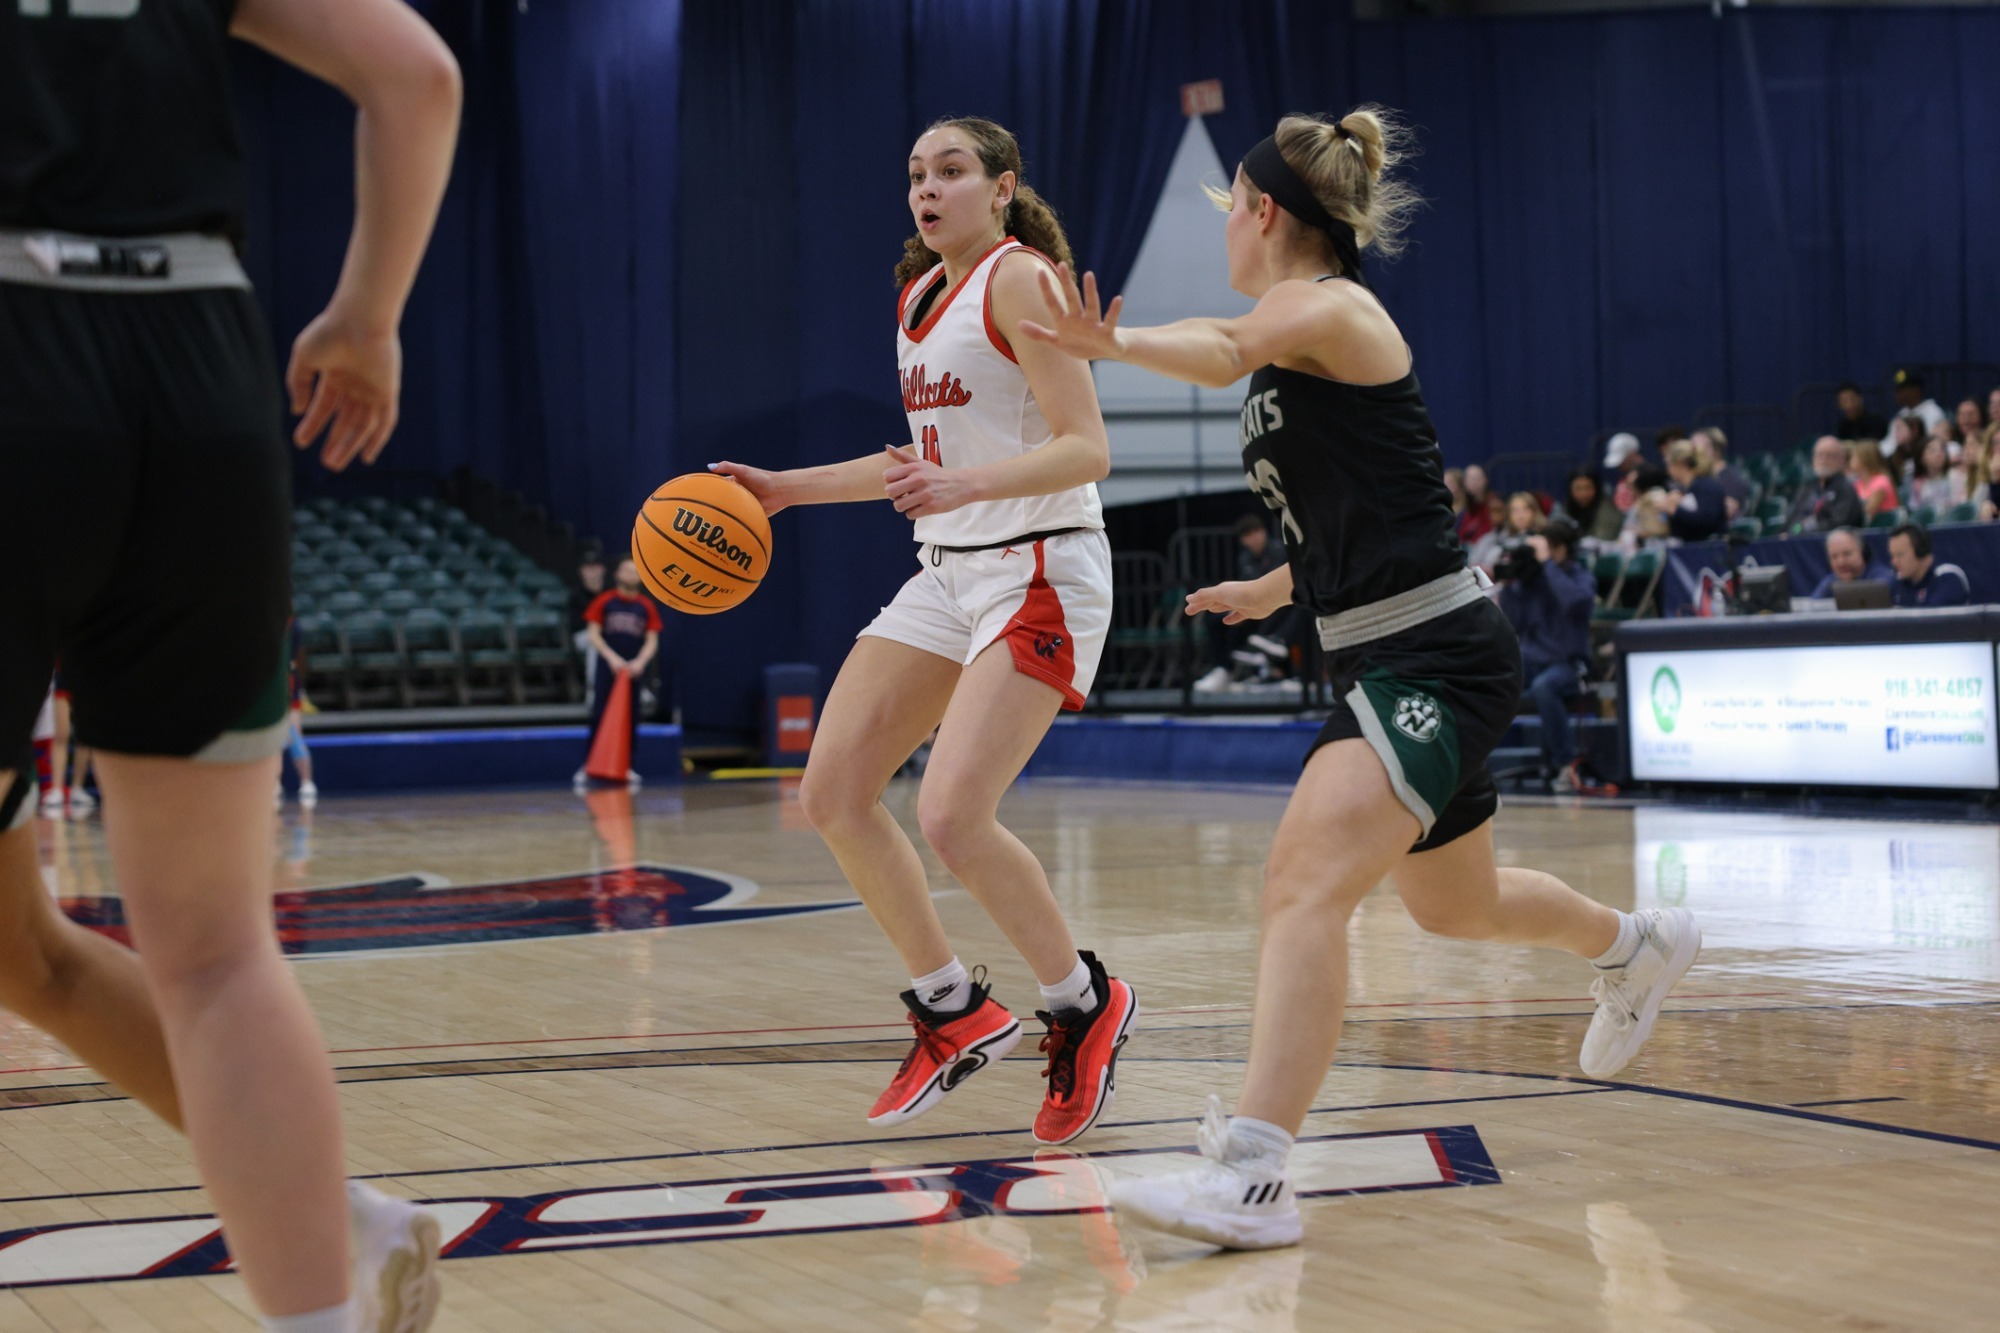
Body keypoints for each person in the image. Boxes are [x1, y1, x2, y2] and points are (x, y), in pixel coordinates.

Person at [1019, 105, 1700, 1249]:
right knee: (1455, 905)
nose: (1221, 230)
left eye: (1224, 209)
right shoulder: (1302, 332)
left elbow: (1224, 347)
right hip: (1388, 642)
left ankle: (1252, 1173)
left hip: (1431, 649)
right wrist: (1276, 586)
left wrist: (1113, 345)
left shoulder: (1325, 310)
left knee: (1300, 885)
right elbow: (1368, 501)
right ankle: (1637, 946)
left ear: (1262, 211)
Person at [0, 3, 459, 1331]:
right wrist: (370, 317)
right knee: (181, 953)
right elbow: (416, 76)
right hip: (197, 358)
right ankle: (334, 1240)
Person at [711, 117, 1136, 1147]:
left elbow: (1087, 449)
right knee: (832, 790)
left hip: (1036, 565)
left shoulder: (1019, 278)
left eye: (949, 170)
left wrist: (964, 483)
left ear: (999, 189)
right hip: (948, 572)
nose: (926, 188)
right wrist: (784, 491)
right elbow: (918, 459)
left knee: (951, 813)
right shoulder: (917, 296)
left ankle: (1083, 1002)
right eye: (913, 174)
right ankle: (950, 1006)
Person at [1497, 521, 1599, 792]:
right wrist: (1510, 583)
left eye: (1546, 548)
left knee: (1545, 687)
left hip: (1569, 663)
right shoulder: (1533, 582)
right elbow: (1512, 624)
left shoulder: (1579, 576)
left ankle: (1566, 764)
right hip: (1531, 659)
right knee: (1491, 679)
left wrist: (1548, 565)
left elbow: (1575, 603)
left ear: (1560, 549)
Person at [576, 558, 660, 791]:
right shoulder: (605, 601)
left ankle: (627, 765)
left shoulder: (646, 606)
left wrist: (640, 661)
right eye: (627, 570)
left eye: (635, 571)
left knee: (633, 717)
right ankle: (588, 765)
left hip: (633, 670)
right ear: (617, 574)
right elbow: (594, 634)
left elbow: (652, 640)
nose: (631, 574)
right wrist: (611, 658)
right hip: (608, 667)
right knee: (599, 714)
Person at [39, 665, 95, 817]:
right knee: (61, 734)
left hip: (85, 673)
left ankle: (77, 787)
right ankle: (56, 788)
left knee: (83, 737)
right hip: (63, 673)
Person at [1784, 437, 1865, 534]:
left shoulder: (1845, 488)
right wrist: (1792, 532)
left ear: (1841, 460)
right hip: (1799, 541)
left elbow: (1839, 524)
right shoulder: (1808, 488)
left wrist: (1801, 531)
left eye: (1829, 455)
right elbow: (1794, 520)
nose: (1823, 460)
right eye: (1819, 455)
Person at [277, 618, 318, 809]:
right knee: (274, 741)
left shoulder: (293, 626)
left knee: (294, 734)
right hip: (273, 682)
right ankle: (274, 784)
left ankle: (307, 783)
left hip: (286, 680)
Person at [1887, 523, 1971, 608]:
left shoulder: (1949, 577)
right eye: (1892, 556)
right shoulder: (1898, 585)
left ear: (1920, 551)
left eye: (1900, 555)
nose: (1894, 562)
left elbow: (1933, 617)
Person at [1662, 440, 1727, 541]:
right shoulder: (1687, 488)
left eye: (1669, 464)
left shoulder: (1707, 485)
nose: (1667, 470)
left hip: (1710, 550)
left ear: (1680, 464)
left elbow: (1707, 521)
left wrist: (1675, 510)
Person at [1809, 528, 1892, 598]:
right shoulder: (1830, 582)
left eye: (1847, 554)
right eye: (1834, 557)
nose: (1841, 562)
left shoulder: (1883, 580)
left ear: (1863, 553)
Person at [1554, 467, 1622, 545]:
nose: (1583, 494)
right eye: (1578, 489)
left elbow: (1603, 540)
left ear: (1596, 489)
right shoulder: (1567, 509)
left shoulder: (1608, 512)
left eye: (1588, 488)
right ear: (1571, 491)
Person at [1906, 435, 1961, 512]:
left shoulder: (1954, 476)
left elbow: (1959, 508)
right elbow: (1915, 512)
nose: (1939, 454)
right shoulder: (1918, 484)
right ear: (1921, 458)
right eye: (1932, 451)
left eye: (1942, 450)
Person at [1848, 437, 1898, 518]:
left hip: (1880, 528)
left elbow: (1869, 511)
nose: (1850, 461)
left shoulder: (1881, 481)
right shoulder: (1858, 483)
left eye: (1853, 457)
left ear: (1864, 459)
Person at [1892, 368, 1947, 434]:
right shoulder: (1901, 415)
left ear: (1916, 390)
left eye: (1903, 389)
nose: (1898, 393)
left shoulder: (1933, 413)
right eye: (1897, 390)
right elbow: (1889, 442)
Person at [1456, 463, 1494, 544]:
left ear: (1486, 480)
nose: (1474, 482)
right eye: (1470, 478)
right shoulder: (1462, 512)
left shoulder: (1494, 505)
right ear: (1465, 482)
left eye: (1477, 478)